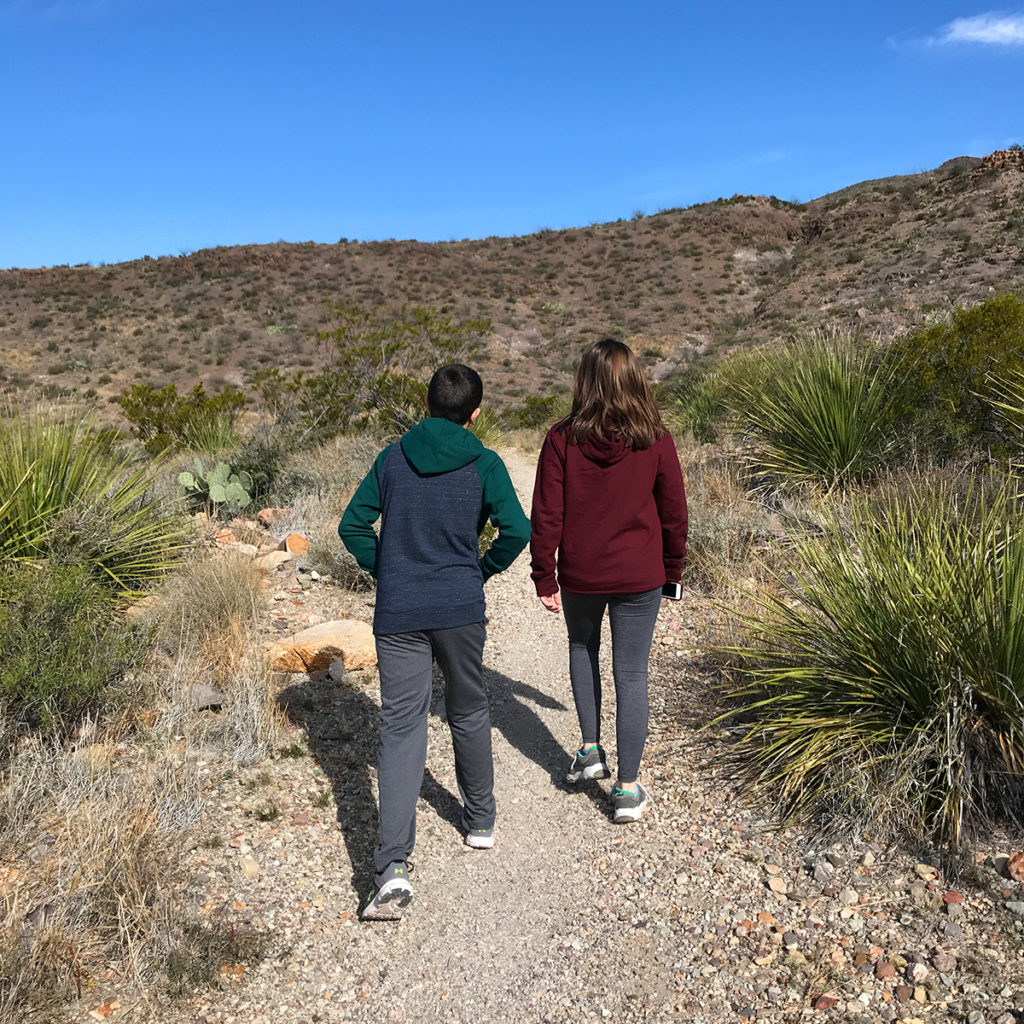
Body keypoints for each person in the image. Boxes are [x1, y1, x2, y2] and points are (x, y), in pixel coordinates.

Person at [339, 364, 530, 920]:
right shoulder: (485, 462)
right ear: (475, 413)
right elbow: (516, 530)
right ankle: (480, 820)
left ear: (426, 405)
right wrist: (481, 570)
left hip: (399, 610)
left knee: (401, 723)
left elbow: (353, 526)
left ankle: (392, 866)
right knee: (469, 709)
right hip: (459, 608)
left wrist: (389, 570)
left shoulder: (391, 458)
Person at [529, 338, 687, 824]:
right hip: (640, 574)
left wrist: (544, 574)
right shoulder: (655, 437)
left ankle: (591, 750)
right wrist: (673, 571)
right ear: (634, 379)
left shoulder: (562, 438)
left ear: (585, 382)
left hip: (581, 573)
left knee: (582, 649)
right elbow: (673, 513)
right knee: (632, 672)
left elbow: (546, 514)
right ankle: (626, 788)